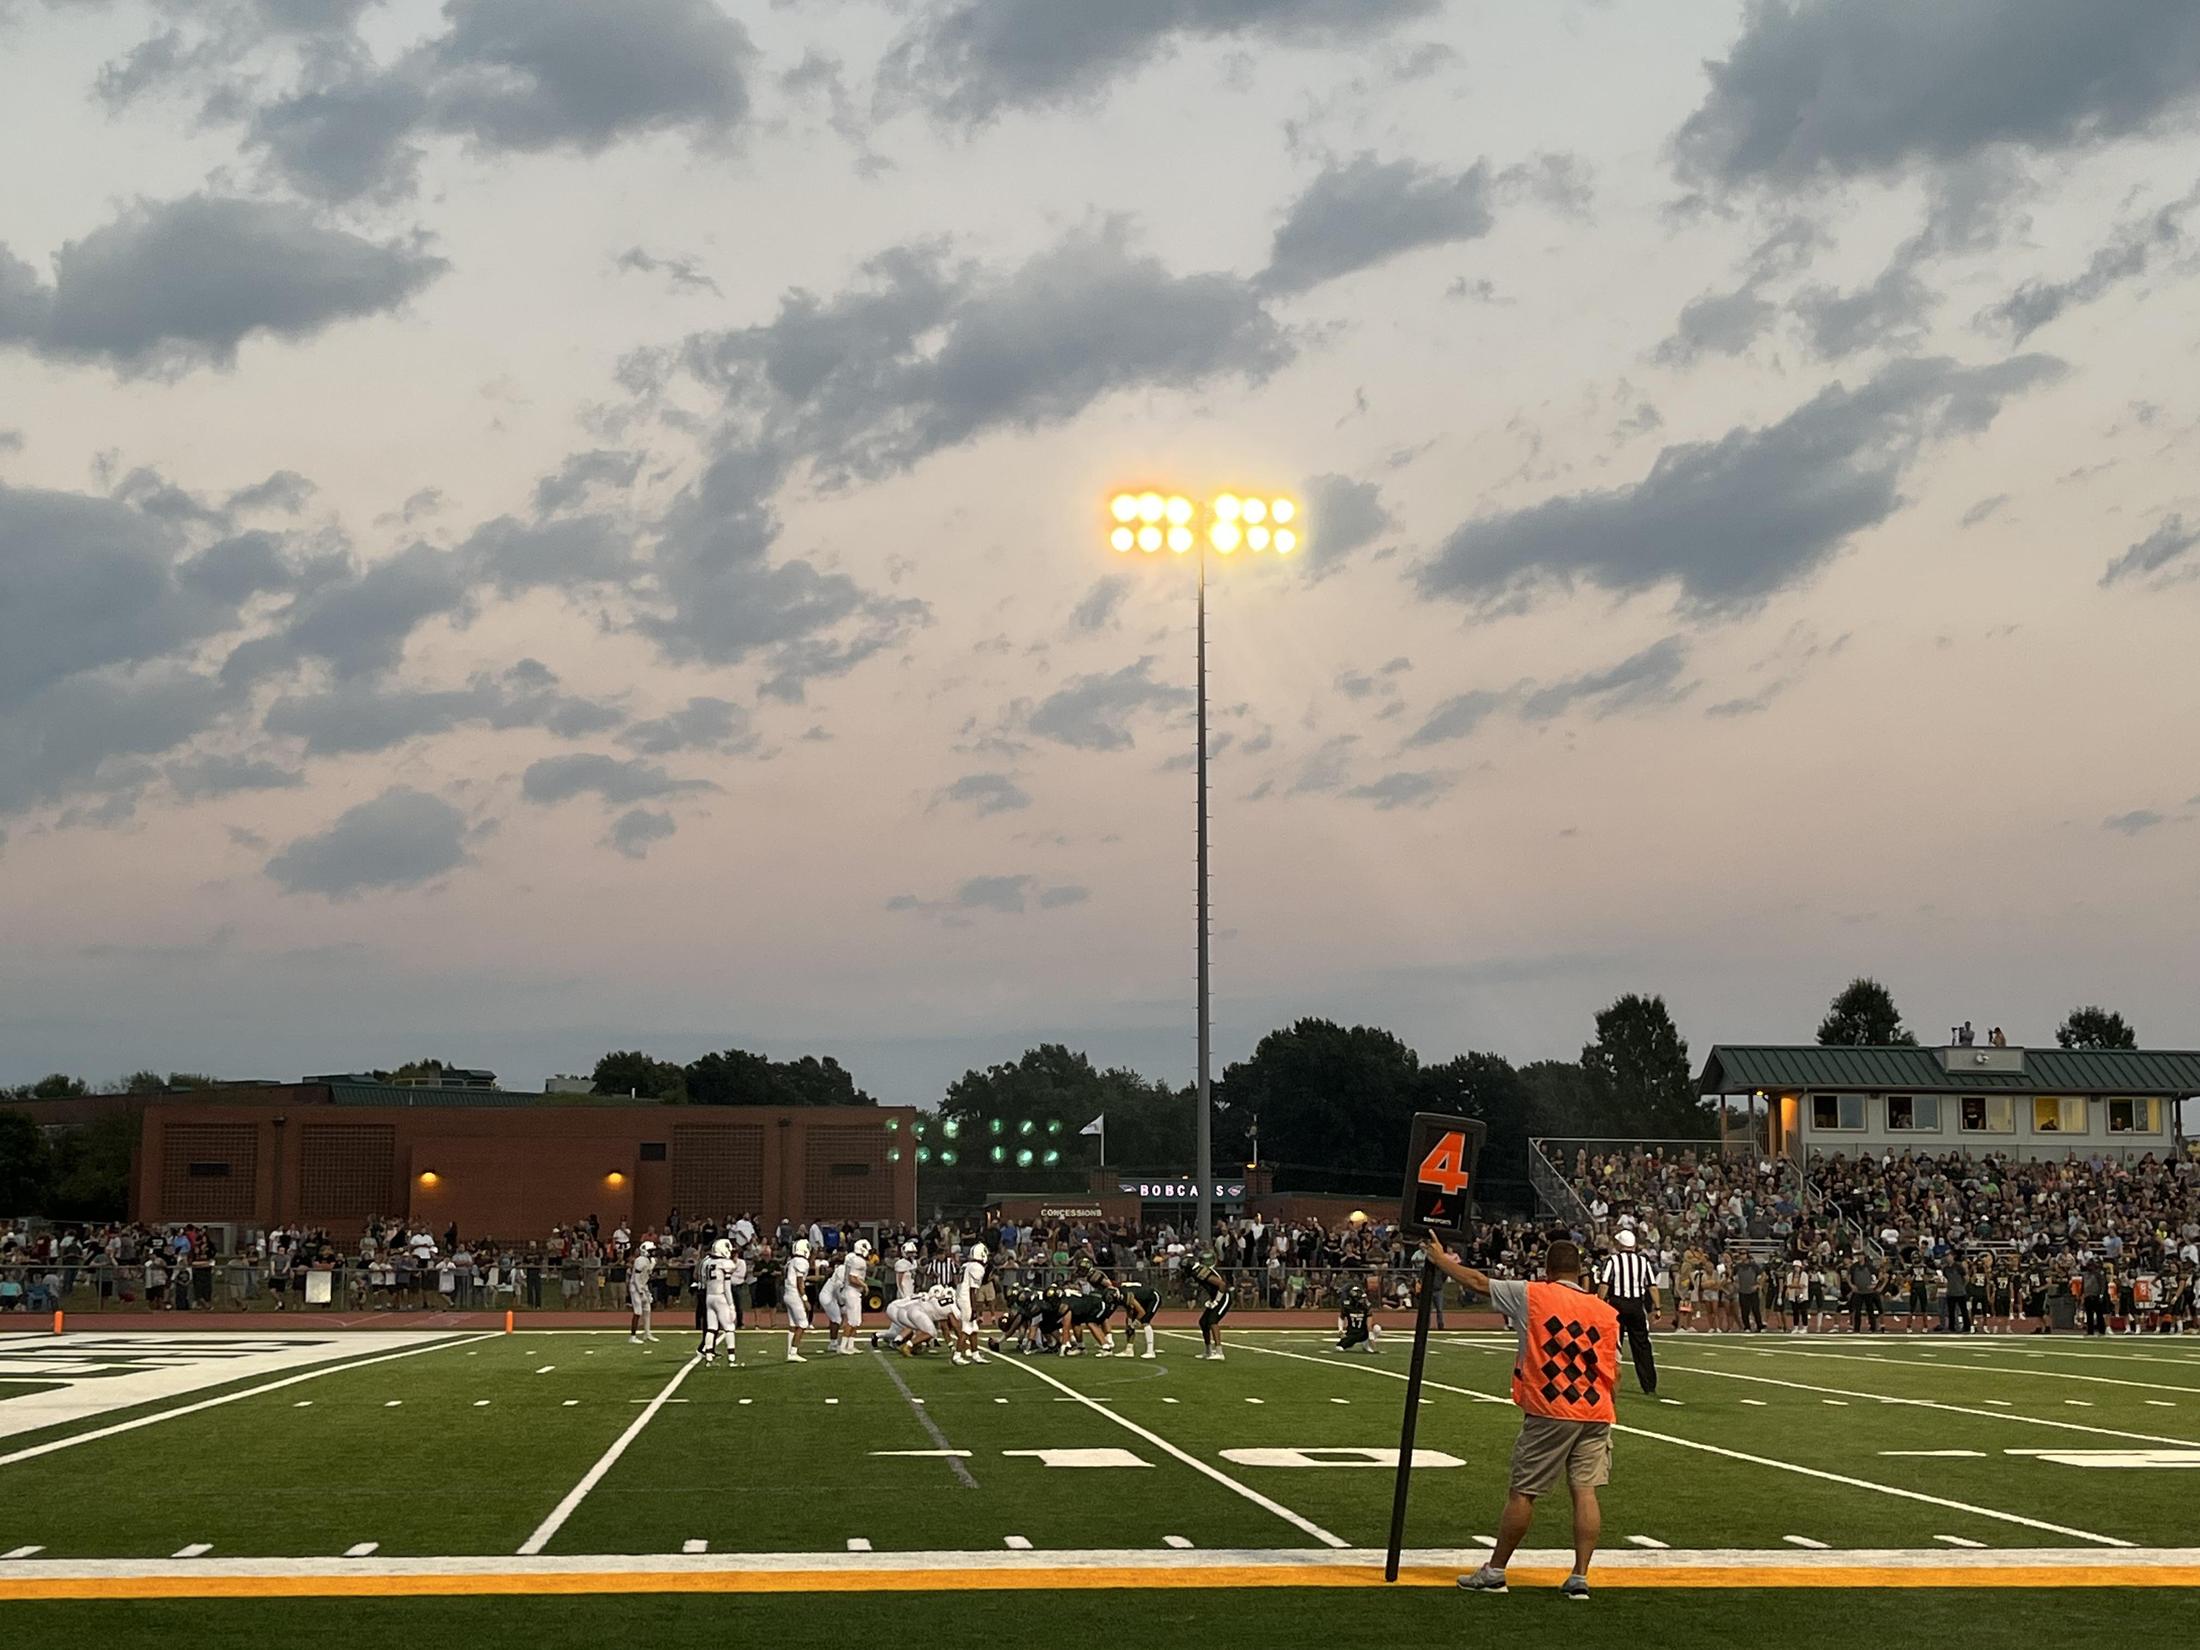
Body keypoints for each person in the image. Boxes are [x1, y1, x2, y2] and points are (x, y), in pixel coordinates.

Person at [1425, 1234, 1617, 1602]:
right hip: (1596, 1408)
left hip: (1552, 1406)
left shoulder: (1535, 1294)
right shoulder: (1603, 1310)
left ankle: (1496, 1570)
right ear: (1580, 1272)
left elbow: (1479, 1283)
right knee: (1585, 1491)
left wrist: (1440, 1260)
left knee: (1523, 1492)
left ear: (1547, 1270)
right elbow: (1615, 1369)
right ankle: (1580, 1575)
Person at [1595, 1230, 1657, 1394]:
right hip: (1636, 1305)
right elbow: (1652, 1284)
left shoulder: (1613, 1260)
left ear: (1619, 1245)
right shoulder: (1643, 1261)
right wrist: (1657, 1307)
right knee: (1642, 1345)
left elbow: (1604, 1284)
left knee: (1613, 1344)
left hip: (1617, 1305)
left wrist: (1599, 1305)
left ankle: (1610, 1381)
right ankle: (1649, 1385)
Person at [1180, 1249, 1232, 1361]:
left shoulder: (1200, 1272)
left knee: (1212, 1321)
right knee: (1203, 1322)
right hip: (1216, 1297)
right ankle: (1208, 1351)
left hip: (1224, 1297)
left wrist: (1216, 1301)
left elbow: (1222, 1285)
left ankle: (1219, 1352)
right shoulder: (1197, 1271)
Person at [697, 1237, 738, 1367]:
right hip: (720, 1297)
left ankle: (709, 1357)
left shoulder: (708, 1262)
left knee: (711, 1328)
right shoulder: (725, 1264)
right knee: (729, 1328)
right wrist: (731, 1305)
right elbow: (727, 1288)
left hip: (709, 1296)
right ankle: (731, 1359)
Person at [782, 1237, 814, 1362]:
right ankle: (793, 1352)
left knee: (792, 1325)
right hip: (795, 1294)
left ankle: (790, 1351)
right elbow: (799, 1282)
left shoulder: (791, 1261)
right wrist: (805, 1299)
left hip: (788, 1293)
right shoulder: (801, 1262)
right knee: (803, 1324)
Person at [628, 1239, 659, 1344]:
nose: (653, 1253)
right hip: (635, 1287)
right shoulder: (640, 1260)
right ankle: (632, 1336)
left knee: (647, 1310)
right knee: (638, 1311)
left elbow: (645, 1278)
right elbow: (636, 1278)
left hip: (643, 1286)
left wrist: (647, 1291)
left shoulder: (651, 1261)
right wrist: (640, 1290)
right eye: (651, 1250)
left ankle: (647, 1333)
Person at [1848, 1254, 1883, 1333]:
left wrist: (1874, 1285)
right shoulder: (1854, 1267)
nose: (1859, 1257)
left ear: (1863, 1257)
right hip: (1858, 1292)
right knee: (1857, 1310)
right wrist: (1851, 1285)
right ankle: (1856, 1329)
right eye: (1858, 1256)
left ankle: (1872, 1328)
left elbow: (1879, 1276)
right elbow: (1849, 1277)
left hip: (1868, 1292)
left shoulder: (1869, 1266)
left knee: (1870, 1310)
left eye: (1861, 1256)